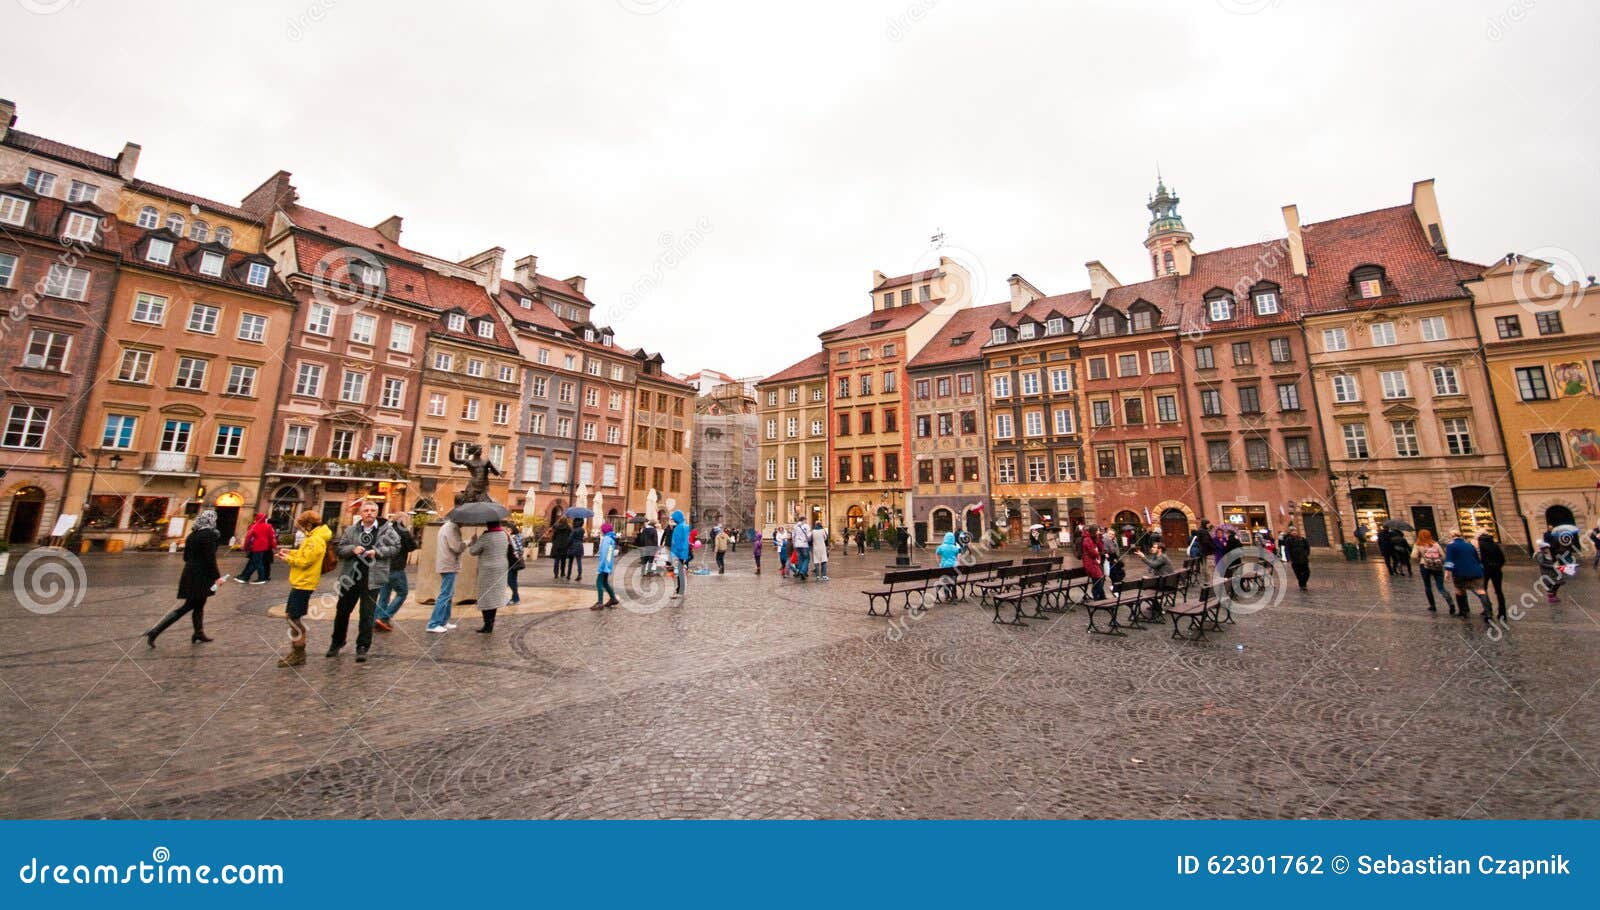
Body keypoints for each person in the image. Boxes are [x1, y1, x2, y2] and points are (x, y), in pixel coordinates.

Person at [329, 500, 401, 662]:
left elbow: (396, 547)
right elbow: (340, 548)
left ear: (376, 513)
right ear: (361, 514)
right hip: (351, 577)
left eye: (372, 510)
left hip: (372, 577)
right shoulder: (351, 530)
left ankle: (362, 647)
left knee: (367, 614)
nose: (369, 513)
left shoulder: (386, 530)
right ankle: (337, 642)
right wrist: (352, 549)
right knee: (342, 611)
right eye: (366, 510)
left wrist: (377, 552)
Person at [145, 510, 223, 647]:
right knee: (189, 606)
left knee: (199, 604)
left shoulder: (192, 535)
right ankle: (155, 631)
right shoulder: (209, 535)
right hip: (201, 575)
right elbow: (210, 558)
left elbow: (186, 557)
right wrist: (217, 577)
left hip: (189, 572)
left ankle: (198, 633)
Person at [275, 511, 331, 667]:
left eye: (300, 526)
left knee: (293, 618)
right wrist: (290, 552)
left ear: (308, 525)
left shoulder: (315, 540)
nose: (299, 529)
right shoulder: (313, 538)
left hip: (304, 582)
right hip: (301, 582)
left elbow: (305, 561)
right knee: (291, 616)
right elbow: (304, 554)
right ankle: (297, 651)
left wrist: (287, 558)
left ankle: (299, 652)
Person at [374, 513, 417, 632]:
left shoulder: (385, 530)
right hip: (396, 567)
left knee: (384, 595)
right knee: (402, 592)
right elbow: (412, 546)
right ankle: (384, 617)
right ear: (402, 521)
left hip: (383, 566)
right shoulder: (403, 531)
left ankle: (376, 620)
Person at [467, 520, 510, 633]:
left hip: (488, 570)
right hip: (501, 568)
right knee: (494, 596)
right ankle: (491, 623)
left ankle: (487, 625)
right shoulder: (504, 534)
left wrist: (473, 542)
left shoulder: (486, 537)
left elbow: (473, 551)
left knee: (485, 597)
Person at [1442, 530, 1493, 621]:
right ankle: (1488, 613)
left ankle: (1463, 611)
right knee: (1481, 591)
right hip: (1476, 571)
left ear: (1452, 536)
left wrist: (1447, 573)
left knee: (1460, 591)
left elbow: (1449, 560)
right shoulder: (1469, 545)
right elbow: (1477, 558)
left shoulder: (1451, 546)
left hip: (1460, 572)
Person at [427, 519, 465, 634]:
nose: (464, 523)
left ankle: (443, 621)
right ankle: (433, 623)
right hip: (449, 564)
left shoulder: (448, 526)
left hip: (447, 564)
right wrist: (468, 543)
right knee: (445, 594)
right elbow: (457, 547)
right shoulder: (452, 528)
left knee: (448, 594)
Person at [236, 512, 277, 584]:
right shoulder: (269, 526)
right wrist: (274, 546)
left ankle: (258, 578)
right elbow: (272, 537)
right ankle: (246, 576)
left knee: (257, 562)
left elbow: (248, 537)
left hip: (257, 546)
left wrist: (246, 547)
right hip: (265, 547)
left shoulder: (253, 526)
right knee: (257, 562)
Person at [1415, 529, 1448, 612]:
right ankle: (1450, 603)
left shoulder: (1418, 544)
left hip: (1424, 565)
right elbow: (1443, 556)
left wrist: (1420, 556)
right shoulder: (1435, 544)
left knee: (1427, 586)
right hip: (1437, 566)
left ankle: (1432, 605)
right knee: (1440, 587)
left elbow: (1413, 556)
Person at [1477, 532, 1507, 620]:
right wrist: (1498, 566)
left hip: (1485, 570)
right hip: (1497, 570)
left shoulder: (1480, 546)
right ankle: (1502, 612)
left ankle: (1487, 610)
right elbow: (1502, 559)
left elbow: (1479, 558)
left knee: (1483, 590)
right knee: (1499, 591)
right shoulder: (1495, 545)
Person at [592, 522, 620, 610]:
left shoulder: (606, 539)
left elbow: (604, 553)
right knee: (604, 582)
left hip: (604, 565)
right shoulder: (611, 538)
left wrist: (602, 566)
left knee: (599, 582)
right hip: (608, 564)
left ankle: (600, 602)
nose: (601, 531)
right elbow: (609, 554)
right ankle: (613, 598)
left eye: (601, 529)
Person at [669, 509, 692, 599]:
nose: (673, 520)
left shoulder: (679, 528)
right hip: (683, 552)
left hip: (678, 553)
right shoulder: (685, 526)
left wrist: (675, 554)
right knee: (680, 571)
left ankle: (680, 590)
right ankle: (679, 589)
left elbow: (677, 542)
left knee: (679, 572)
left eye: (674, 519)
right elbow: (685, 541)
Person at [1080, 522, 1106, 600]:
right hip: (1090, 562)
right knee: (1098, 579)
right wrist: (1097, 553)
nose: (1099, 532)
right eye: (1098, 530)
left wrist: (1100, 537)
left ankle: (1100, 596)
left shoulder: (1094, 538)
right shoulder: (1087, 539)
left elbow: (1101, 548)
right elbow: (1092, 552)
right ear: (1094, 531)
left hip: (1095, 561)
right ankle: (1097, 596)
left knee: (1100, 578)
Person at [1535, 540, 1564, 604]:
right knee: (1553, 583)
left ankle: (1553, 596)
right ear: (1543, 548)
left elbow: (1548, 561)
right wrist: (1552, 566)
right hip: (1546, 572)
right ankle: (1551, 597)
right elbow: (1542, 563)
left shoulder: (1544, 554)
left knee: (1556, 583)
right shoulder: (1540, 554)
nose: (1548, 549)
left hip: (1550, 571)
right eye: (1547, 548)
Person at [935, 531, 961, 602]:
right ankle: (954, 594)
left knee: (945, 581)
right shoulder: (955, 547)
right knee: (953, 581)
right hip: (953, 567)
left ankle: (947, 595)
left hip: (944, 567)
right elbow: (958, 554)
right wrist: (957, 562)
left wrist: (939, 563)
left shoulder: (941, 547)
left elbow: (937, 554)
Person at [506, 525, 526, 605]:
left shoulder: (514, 538)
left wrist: (515, 553)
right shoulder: (516, 537)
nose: (507, 531)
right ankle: (515, 598)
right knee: (513, 580)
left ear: (512, 530)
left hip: (513, 561)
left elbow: (519, 549)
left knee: (510, 580)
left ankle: (516, 598)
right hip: (513, 561)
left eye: (509, 529)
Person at [791, 517, 811, 582]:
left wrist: (794, 544)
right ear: (804, 520)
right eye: (805, 520)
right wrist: (808, 541)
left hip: (797, 545)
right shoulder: (806, 526)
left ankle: (800, 571)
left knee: (800, 559)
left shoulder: (795, 526)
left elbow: (793, 536)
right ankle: (803, 571)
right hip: (804, 545)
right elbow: (809, 536)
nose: (806, 521)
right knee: (806, 558)